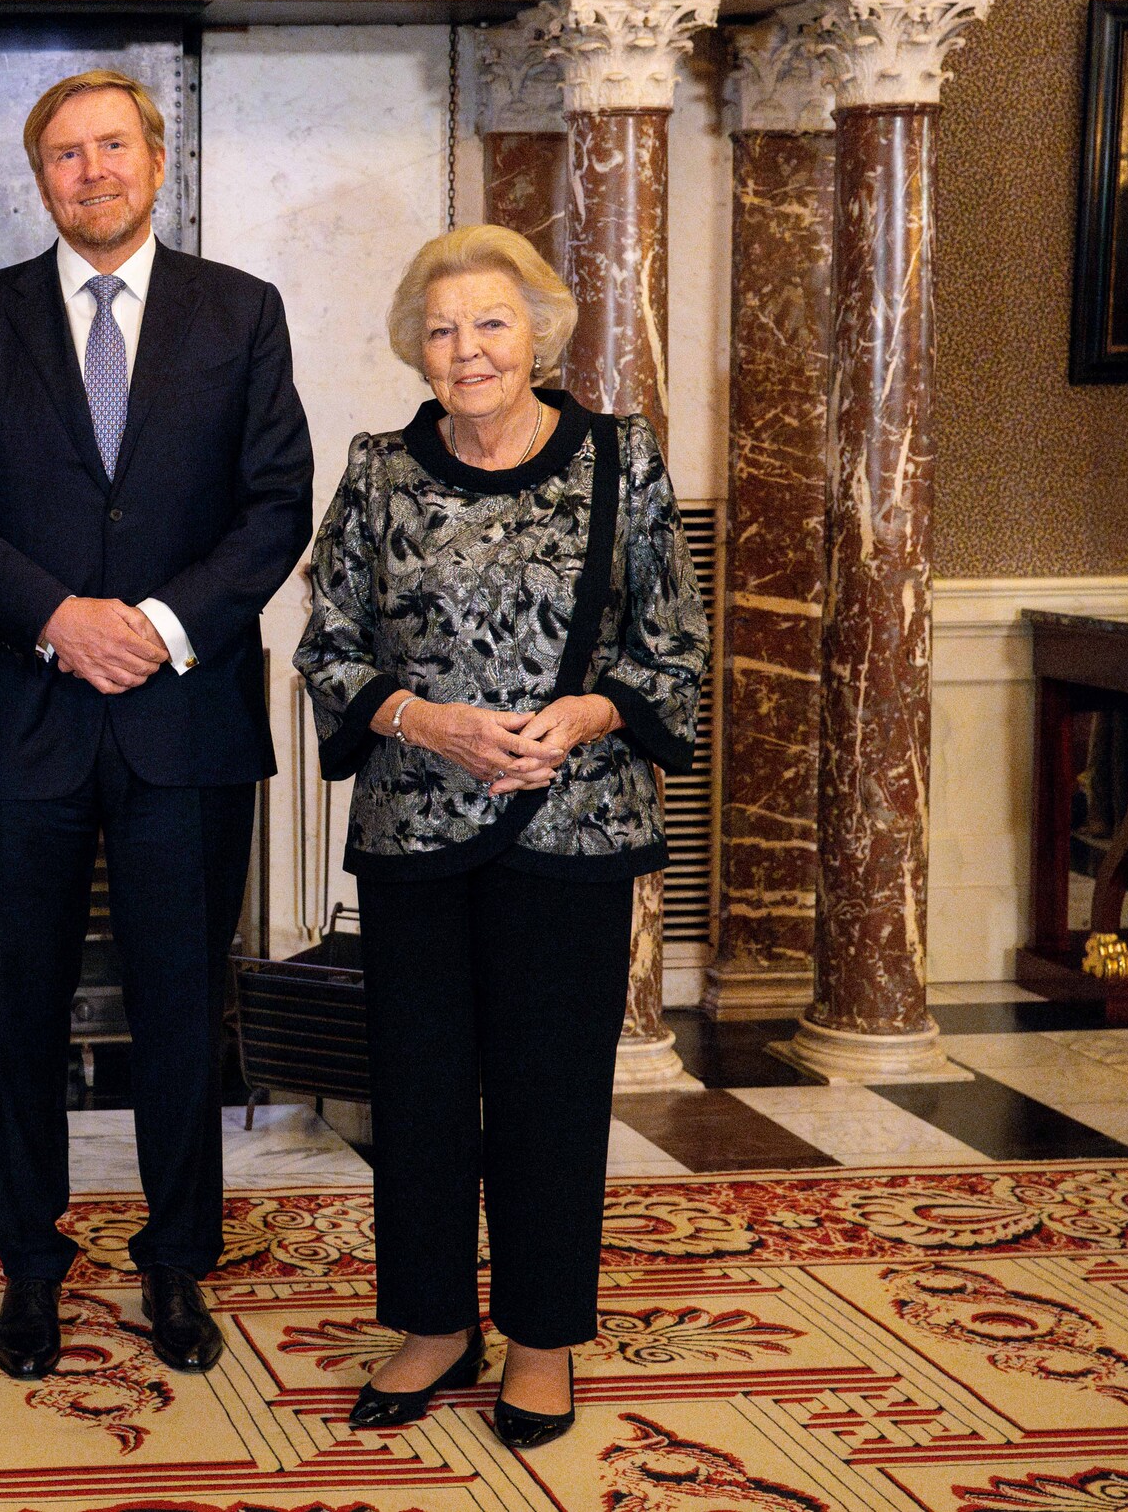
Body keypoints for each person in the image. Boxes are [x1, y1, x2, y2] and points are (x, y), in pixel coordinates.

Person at [0, 70, 316, 1380]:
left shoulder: (239, 313)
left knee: (182, 1011)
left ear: (153, 158)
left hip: (183, 720)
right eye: (66, 154)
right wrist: (59, 618)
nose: (92, 169)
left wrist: (159, 624)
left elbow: (274, 503)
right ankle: (31, 1267)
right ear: (41, 179)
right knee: (18, 1014)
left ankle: (178, 1266)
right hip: (24, 717)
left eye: (112, 146)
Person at [294, 224, 708, 1451]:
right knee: (417, 1095)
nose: (465, 349)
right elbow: (328, 647)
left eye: (488, 324)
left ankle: (538, 1339)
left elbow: (669, 647)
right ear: (412, 351)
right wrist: (432, 723)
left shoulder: (618, 463)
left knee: (549, 1094)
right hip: (417, 825)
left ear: (537, 332)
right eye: (439, 329)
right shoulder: (376, 470)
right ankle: (430, 1324)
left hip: (573, 826)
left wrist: (582, 713)